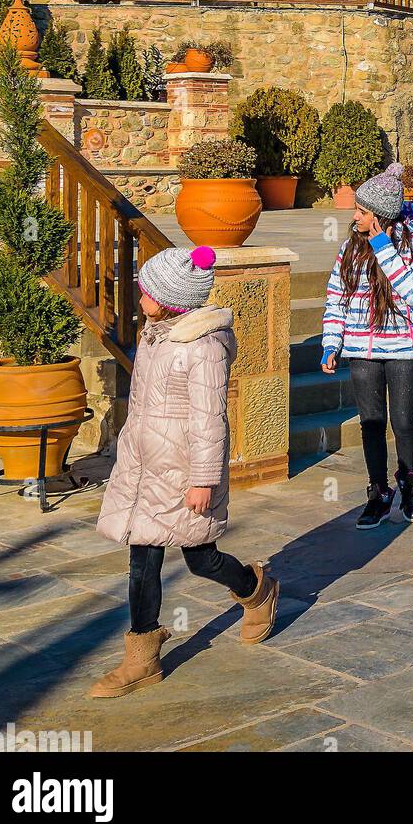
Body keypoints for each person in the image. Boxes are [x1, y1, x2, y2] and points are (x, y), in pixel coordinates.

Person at [91, 245, 279, 699]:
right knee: (142, 561)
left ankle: (256, 589)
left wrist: (203, 479)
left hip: (186, 472)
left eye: (146, 292)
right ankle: (143, 656)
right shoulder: (155, 335)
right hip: (146, 468)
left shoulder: (204, 347)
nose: (139, 299)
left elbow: (208, 419)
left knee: (201, 559)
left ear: (171, 299)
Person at [321, 162, 413, 529]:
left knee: (403, 422)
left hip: (404, 347)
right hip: (361, 348)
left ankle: (409, 482)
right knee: (371, 423)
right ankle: (378, 492)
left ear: (380, 217)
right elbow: (337, 295)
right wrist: (331, 342)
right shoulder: (349, 249)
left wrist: (382, 245)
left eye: (362, 211)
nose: (355, 216)